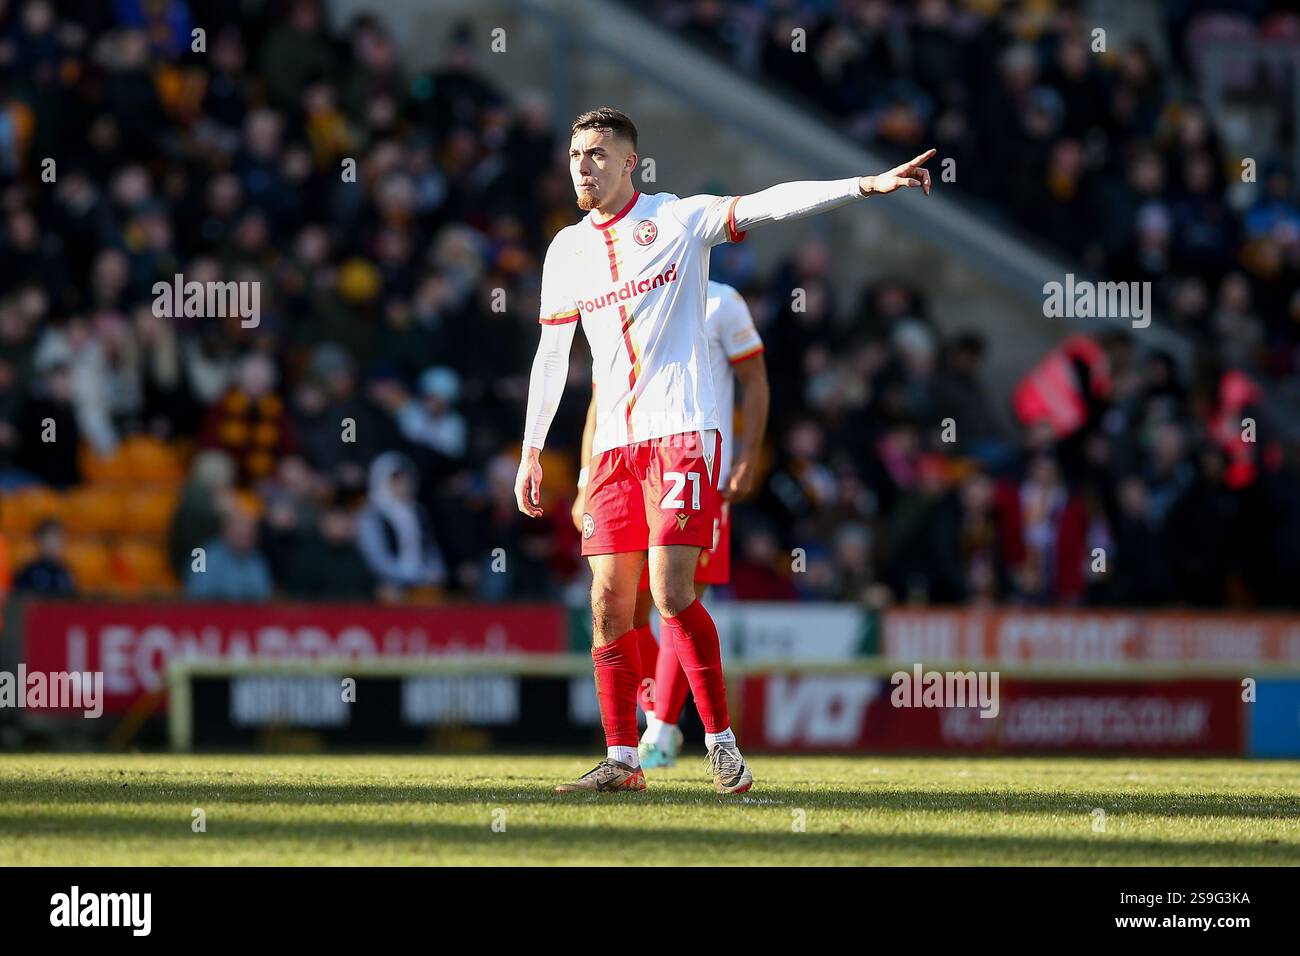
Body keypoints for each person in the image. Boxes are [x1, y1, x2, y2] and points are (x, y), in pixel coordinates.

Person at [516, 106, 933, 793]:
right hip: (614, 448)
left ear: (631, 163)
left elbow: (769, 204)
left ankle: (719, 741)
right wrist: (532, 451)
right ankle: (623, 759)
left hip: (682, 435)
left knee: (672, 592)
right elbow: (552, 354)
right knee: (606, 603)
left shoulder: (680, 220)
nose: (582, 166)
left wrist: (861, 185)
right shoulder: (567, 251)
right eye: (574, 155)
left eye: (596, 153)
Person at [571, 280, 769, 769]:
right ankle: (655, 715)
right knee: (627, 604)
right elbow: (602, 399)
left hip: (698, 469)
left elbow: (755, 381)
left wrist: (748, 458)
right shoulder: (626, 298)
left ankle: (661, 731)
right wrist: (582, 481)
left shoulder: (722, 301)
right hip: (625, 470)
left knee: (675, 596)